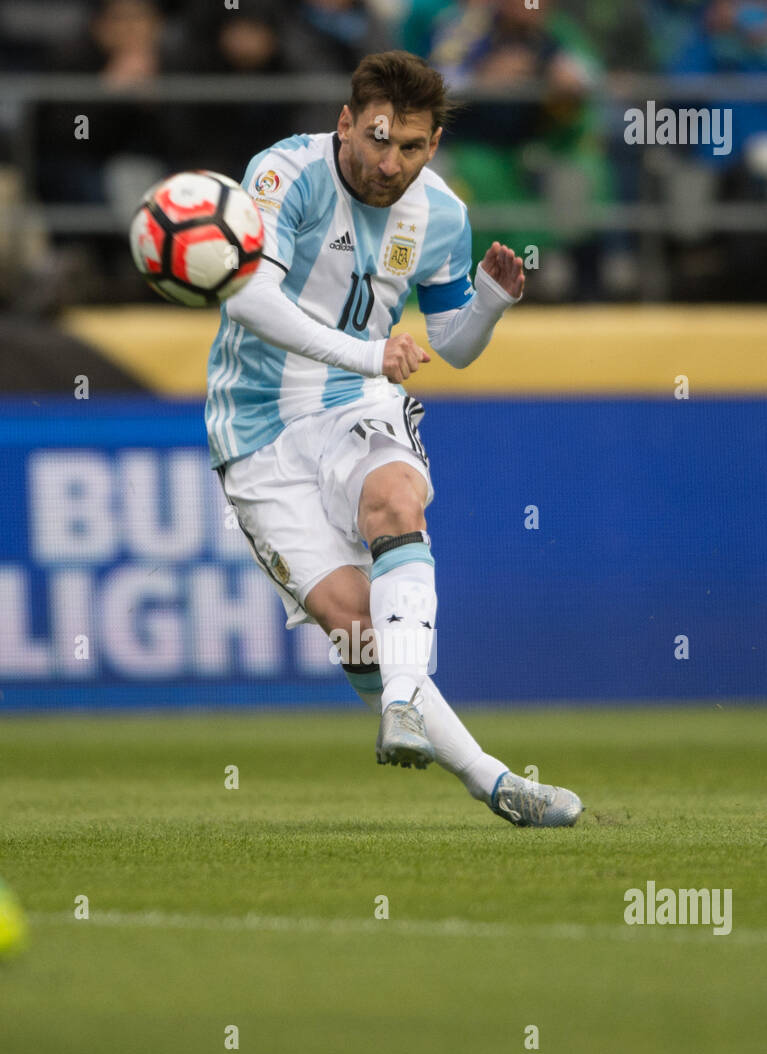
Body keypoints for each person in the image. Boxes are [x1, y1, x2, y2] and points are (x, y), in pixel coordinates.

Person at [205, 50, 583, 828]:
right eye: (377, 139)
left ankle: (405, 701)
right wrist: (368, 350)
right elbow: (248, 301)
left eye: (410, 147)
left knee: (395, 498)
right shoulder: (284, 175)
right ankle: (492, 780)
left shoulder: (441, 212)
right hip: (253, 427)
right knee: (355, 630)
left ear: (433, 143)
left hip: (355, 399)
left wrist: (487, 306)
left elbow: (450, 339)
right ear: (346, 122)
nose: (389, 162)